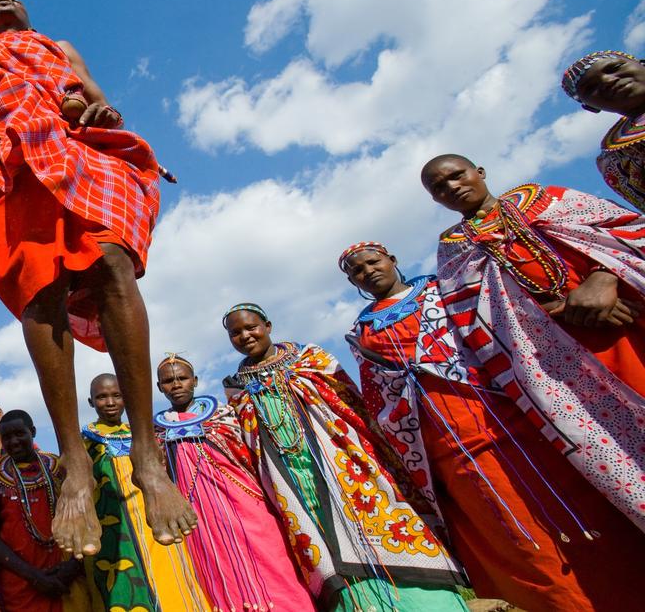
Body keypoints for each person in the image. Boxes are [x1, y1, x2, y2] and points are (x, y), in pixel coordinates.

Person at [0, 0, 193, 557]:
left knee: (112, 264)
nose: (5, 1)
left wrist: (101, 116)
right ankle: (74, 463)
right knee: (39, 289)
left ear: (30, 17)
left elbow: (102, 104)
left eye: (15, 0)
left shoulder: (59, 48)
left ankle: (148, 458)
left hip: (77, 151)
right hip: (12, 167)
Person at [341, 241, 645, 610]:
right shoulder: (362, 332)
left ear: (391, 258)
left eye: (372, 262)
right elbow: (380, 401)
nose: (368, 272)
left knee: (583, 509)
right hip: (447, 449)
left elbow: (507, 322)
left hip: (511, 421)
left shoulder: (445, 289)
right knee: (520, 541)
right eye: (357, 271)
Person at [422, 155, 645, 532]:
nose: (452, 187)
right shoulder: (454, 250)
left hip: (630, 323)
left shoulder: (545, 198)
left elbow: (629, 228)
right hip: (563, 368)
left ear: (480, 171)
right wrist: (562, 309)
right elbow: (477, 324)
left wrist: (603, 278)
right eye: (439, 188)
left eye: (456, 176)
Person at [222, 303, 467, 611]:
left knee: (383, 529)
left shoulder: (311, 358)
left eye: (251, 327)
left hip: (345, 466)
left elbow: (353, 406)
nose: (245, 336)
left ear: (268, 326)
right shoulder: (236, 388)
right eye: (236, 333)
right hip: (292, 483)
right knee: (329, 555)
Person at [152, 358, 311, 612]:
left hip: (243, 501)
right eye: (169, 381)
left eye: (182, 378)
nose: (176, 385)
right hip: (197, 515)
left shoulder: (223, 414)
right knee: (218, 571)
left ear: (195, 381)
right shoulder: (156, 431)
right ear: (160, 387)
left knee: (269, 557)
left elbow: (251, 452)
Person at [82, 374, 209, 611]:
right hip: (115, 531)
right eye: (101, 397)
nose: (110, 402)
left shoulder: (145, 436)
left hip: (157, 520)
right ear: (91, 402)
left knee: (172, 580)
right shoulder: (84, 444)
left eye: (117, 395)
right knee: (124, 588)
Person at [0, 411, 98, 612]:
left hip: (69, 576)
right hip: (21, 584)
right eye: (7, 437)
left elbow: (86, 518)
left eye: (20, 434)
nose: (14, 441)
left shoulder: (60, 468)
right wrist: (34, 577)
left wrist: (73, 567)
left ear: (32, 432)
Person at [561, 50, 645, 210]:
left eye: (615, 68)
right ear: (590, 107)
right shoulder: (614, 160)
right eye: (590, 88)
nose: (607, 81)